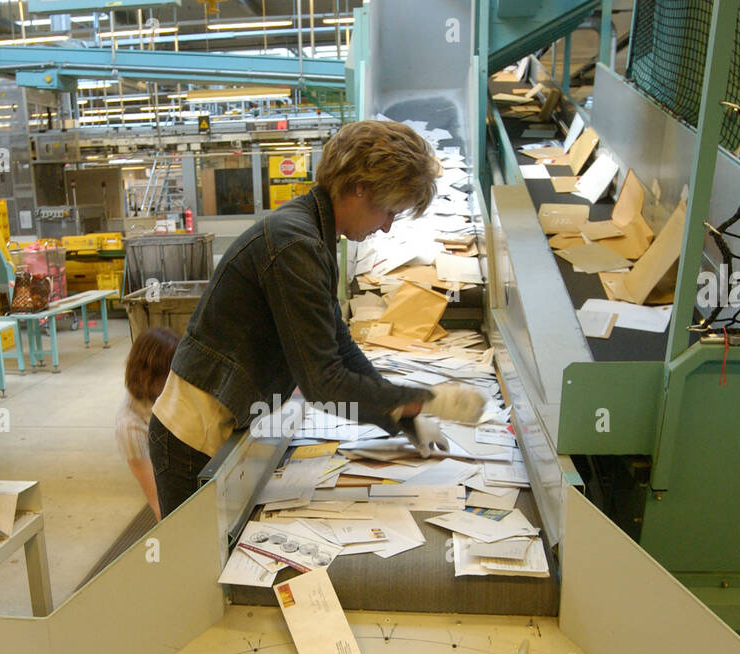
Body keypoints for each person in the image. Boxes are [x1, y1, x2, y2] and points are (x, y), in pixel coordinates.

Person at [148, 119, 486, 519]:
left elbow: (339, 346)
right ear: (360, 186)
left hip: (222, 423)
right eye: (388, 209)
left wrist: (405, 419)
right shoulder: (295, 243)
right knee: (195, 570)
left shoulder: (312, 236)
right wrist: (424, 399)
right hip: (194, 438)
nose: (386, 225)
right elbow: (323, 383)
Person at [116, 326, 179, 521]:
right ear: (151, 376)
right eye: (172, 372)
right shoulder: (131, 429)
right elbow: (160, 504)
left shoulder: (166, 390)